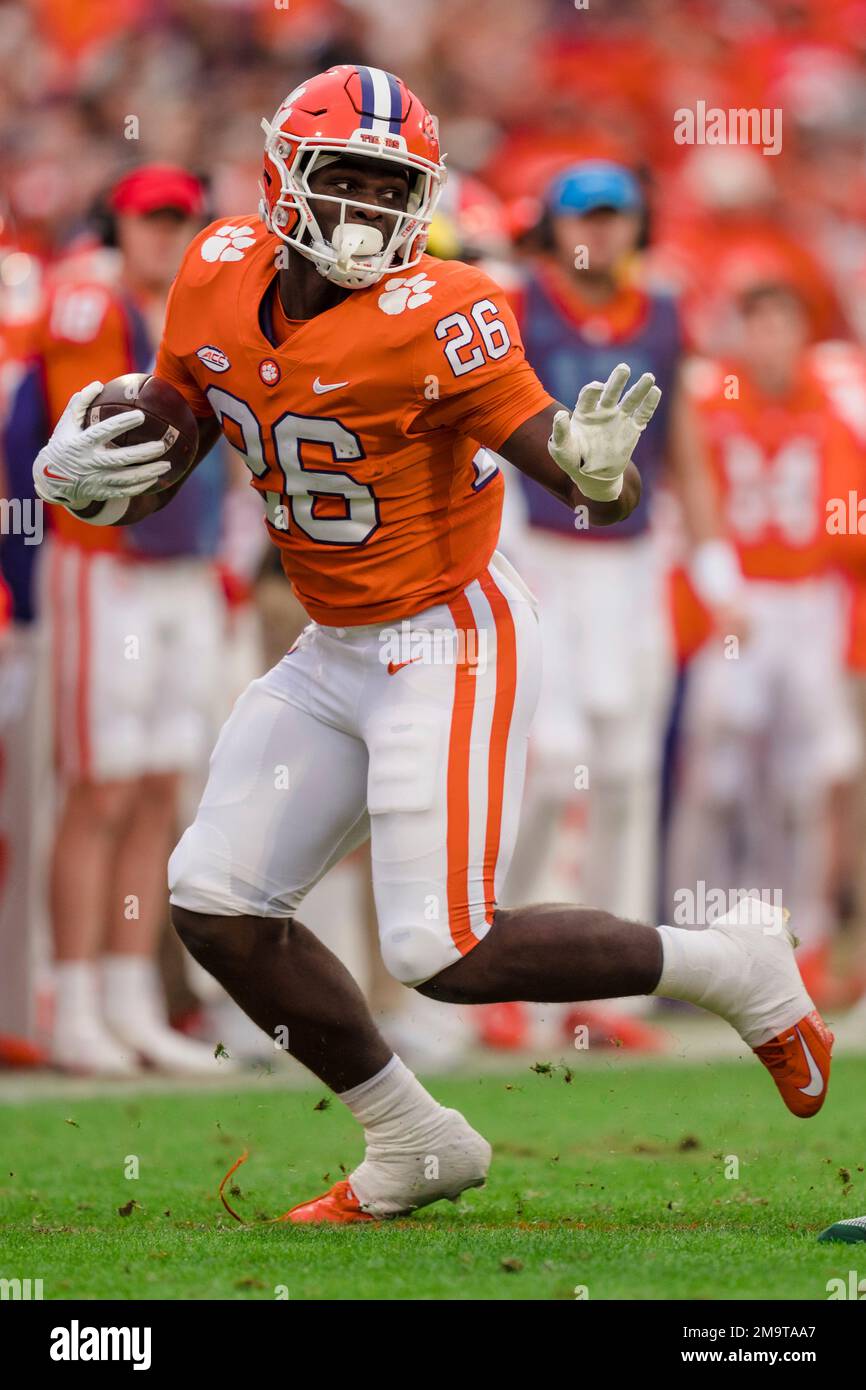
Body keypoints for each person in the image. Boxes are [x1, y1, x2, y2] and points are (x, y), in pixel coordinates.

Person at [33, 67, 832, 1222]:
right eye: (343, 181)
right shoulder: (211, 270)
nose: (363, 210)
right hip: (332, 638)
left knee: (437, 945)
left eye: (388, 187)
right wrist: (97, 472)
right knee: (213, 896)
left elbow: (552, 451)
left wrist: (596, 471)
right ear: (283, 178)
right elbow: (187, 412)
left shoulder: (445, 307)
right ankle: (412, 1137)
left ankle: (729, 966)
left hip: (443, 632)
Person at [5, 165, 229, 1076]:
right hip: (104, 567)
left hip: (183, 567)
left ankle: (131, 998)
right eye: (151, 219)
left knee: (155, 787)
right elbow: (84, 440)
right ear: (117, 224)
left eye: (180, 218)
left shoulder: (211, 307)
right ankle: (73, 998)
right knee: (96, 789)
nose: (166, 235)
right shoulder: (88, 305)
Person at [667, 252, 863, 1001]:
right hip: (741, 598)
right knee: (716, 777)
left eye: (784, 324)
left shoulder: (837, 398)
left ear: (805, 334)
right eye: (759, 323)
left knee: (810, 781)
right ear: (741, 332)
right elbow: (688, 502)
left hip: (812, 601)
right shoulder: (711, 400)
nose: (772, 340)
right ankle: (696, 941)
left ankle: (802, 939)